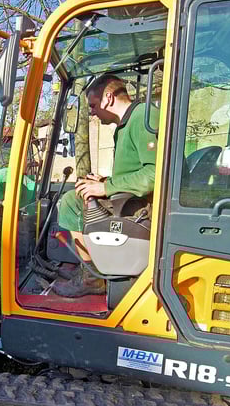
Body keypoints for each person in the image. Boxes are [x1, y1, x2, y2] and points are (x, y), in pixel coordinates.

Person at [53, 74, 158, 298]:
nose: (91, 112)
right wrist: (104, 181)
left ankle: (93, 277)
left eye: (92, 105)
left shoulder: (143, 118)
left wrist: (106, 188)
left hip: (139, 208)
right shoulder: (126, 124)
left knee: (71, 202)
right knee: (83, 189)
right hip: (129, 197)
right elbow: (134, 171)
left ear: (108, 98)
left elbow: (154, 174)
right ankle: (91, 267)